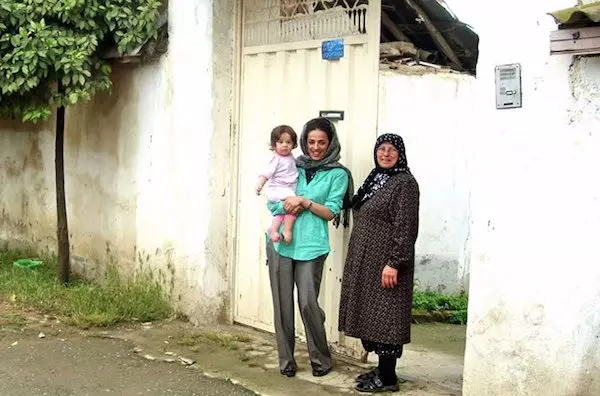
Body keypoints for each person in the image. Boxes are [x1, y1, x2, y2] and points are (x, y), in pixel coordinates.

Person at [266, 117, 354, 378]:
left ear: (331, 143)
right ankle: (286, 361)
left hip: (312, 246)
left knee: (307, 302)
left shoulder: (337, 174)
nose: (315, 148)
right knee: (282, 306)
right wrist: (287, 205)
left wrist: (304, 202)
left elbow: (330, 212)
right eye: (311, 142)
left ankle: (320, 358)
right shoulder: (292, 165)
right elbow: (272, 200)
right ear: (303, 142)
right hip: (280, 242)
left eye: (322, 143)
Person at [338, 133, 420, 393]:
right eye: (381, 149)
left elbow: (406, 227)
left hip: (388, 264)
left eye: (391, 150)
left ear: (400, 154)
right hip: (368, 261)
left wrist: (395, 262)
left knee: (387, 318)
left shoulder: (404, 183)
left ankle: (388, 378)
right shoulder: (377, 179)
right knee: (373, 316)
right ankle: (383, 370)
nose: (385, 154)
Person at [256, 125, 299, 244]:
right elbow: (266, 173)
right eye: (280, 142)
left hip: (288, 189)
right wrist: (260, 184)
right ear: (274, 145)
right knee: (293, 204)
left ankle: (273, 229)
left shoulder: (291, 158)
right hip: (278, 190)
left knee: (282, 212)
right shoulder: (276, 159)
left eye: (288, 142)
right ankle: (287, 230)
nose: (285, 145)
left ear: (294, 145)